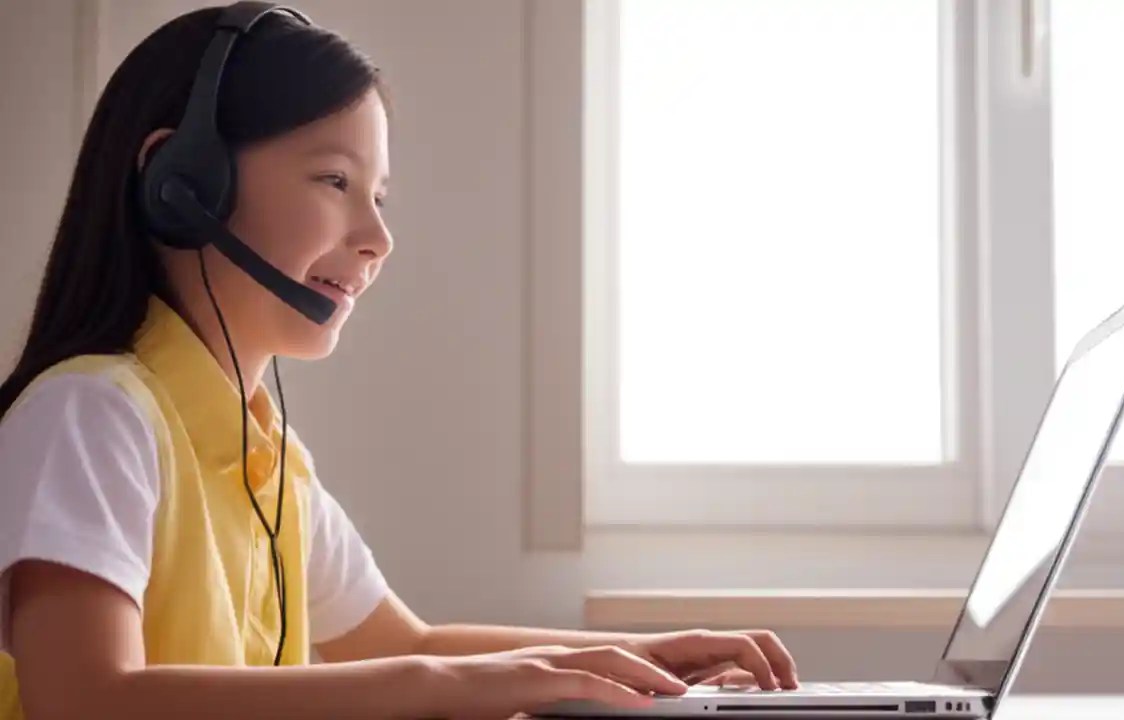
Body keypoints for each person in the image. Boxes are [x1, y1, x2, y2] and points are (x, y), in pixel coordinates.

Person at [0, 4, 799, 719]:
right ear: (183, 183)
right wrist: (452, 685)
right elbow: (84, 698)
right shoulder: (91, 414)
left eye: (377, 197)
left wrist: (638, 661)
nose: (377, 239)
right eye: (335, 180)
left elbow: (400, 639)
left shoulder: (266, 458)